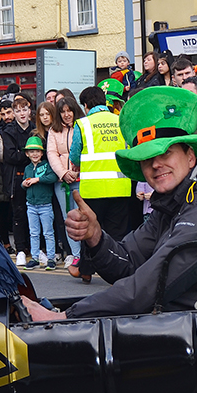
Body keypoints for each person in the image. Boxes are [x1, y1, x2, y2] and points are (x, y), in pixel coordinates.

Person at [22, 87, 197, 321]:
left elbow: (147, 286)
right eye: (146, 158)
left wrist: (65, 316)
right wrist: (96, 236)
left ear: (190, 156)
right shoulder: (174, 202)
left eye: (165, 152)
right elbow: (128, 262)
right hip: (190, 328)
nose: (155, 164)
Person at [70, 82, 130, 283]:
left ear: (86, 105)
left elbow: (75, 155)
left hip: (93, 189)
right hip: (121, 187)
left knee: (89, 230)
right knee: (118, 232)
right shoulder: (121, 120)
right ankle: (120, 270)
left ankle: (85, 270)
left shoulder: (84, 124)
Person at [1, 93, 36, 265]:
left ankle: (36, 248)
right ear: (14, 113)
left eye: (25, 109)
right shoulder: (9, 131)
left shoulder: (35, 129)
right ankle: (21, 249)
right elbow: (11, 156)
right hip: (16, 177)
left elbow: (41, 153)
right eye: (18, 111)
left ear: (30, 111)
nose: (22, 113)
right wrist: (31, 154)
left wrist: (24, 153)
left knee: (38, 212)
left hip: (36, 175)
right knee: (19, 214)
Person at [48, 98, 83, 267]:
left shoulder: (82, 126)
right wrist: (63, 173)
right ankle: (76, 255)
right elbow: (52, 154)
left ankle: (87, 254)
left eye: (69, 110)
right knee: (68, 218)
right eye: (63, 111)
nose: (67, 114)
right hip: (62, 182)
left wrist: (77, 171)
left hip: (81, 178)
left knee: (83, 218)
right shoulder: (53, 131)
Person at [21, 135, 58, 269]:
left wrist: (37, 179)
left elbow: (52, 177)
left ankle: (51, 258)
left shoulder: (47, 166)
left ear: (42, 153)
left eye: (37, 151)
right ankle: (35, 257)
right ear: (27, 154)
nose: (35, 154)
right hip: (31, 205)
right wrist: (24, 184)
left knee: (48, 233)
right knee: (34, 233)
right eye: (32, 152)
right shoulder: (27, 169)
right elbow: (24, 183)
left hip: (45, 205)